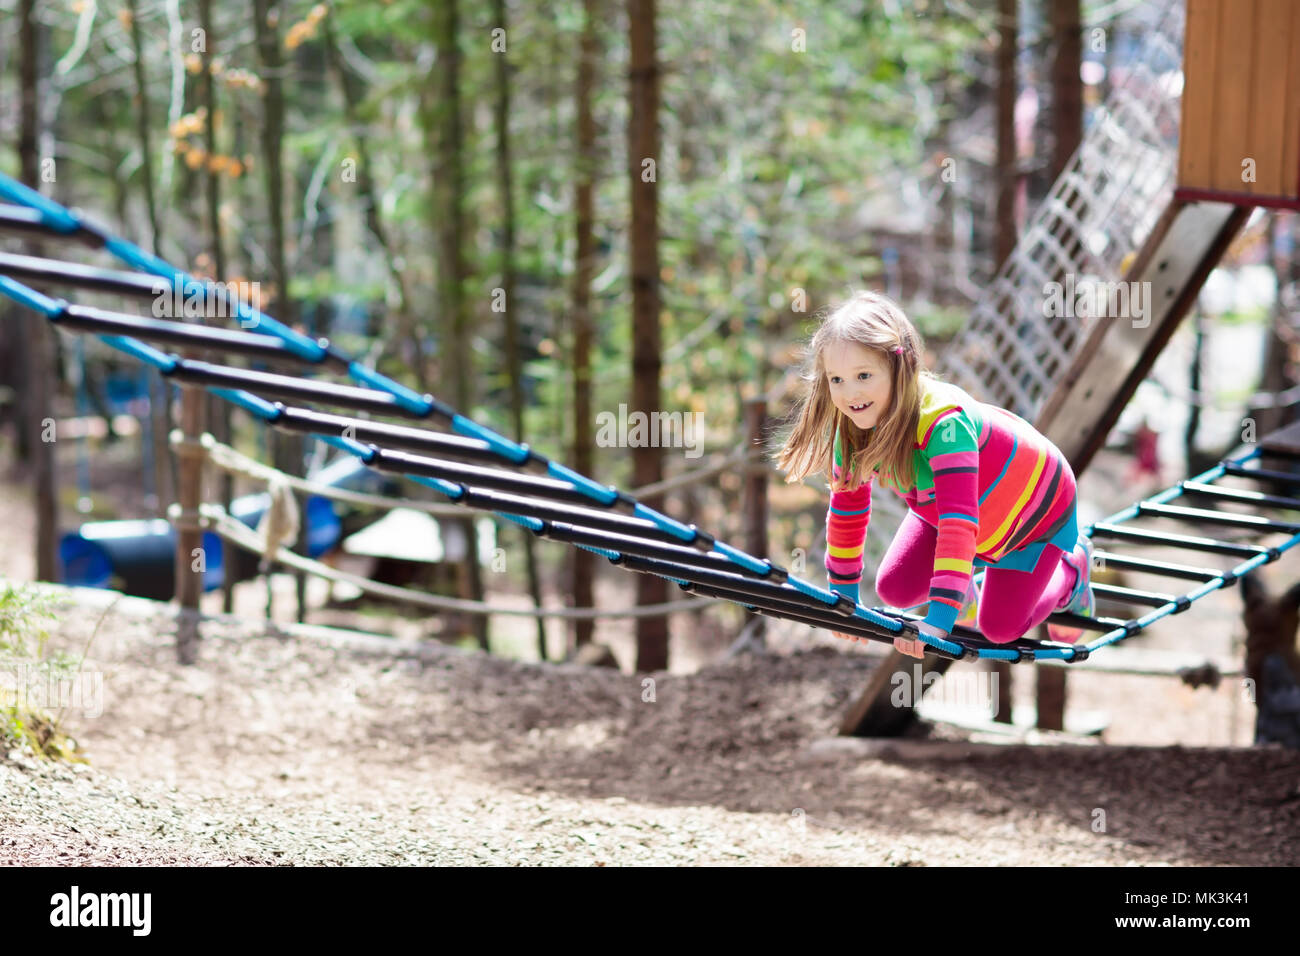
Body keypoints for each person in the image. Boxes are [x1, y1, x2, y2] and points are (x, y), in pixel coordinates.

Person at [775, 290, 1095, 658]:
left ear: (901, 367)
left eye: (864, 375)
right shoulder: (851, 430)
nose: (851, 393)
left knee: (1000, 629)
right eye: (837, 379)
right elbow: (847, 513)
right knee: (894, 588)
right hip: (951, 512)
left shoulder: (944, 424)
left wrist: (938, 621)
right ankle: (965, 589)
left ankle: (1073, 570)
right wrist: (843, 602)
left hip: (1032, 513)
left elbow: (959, 524)